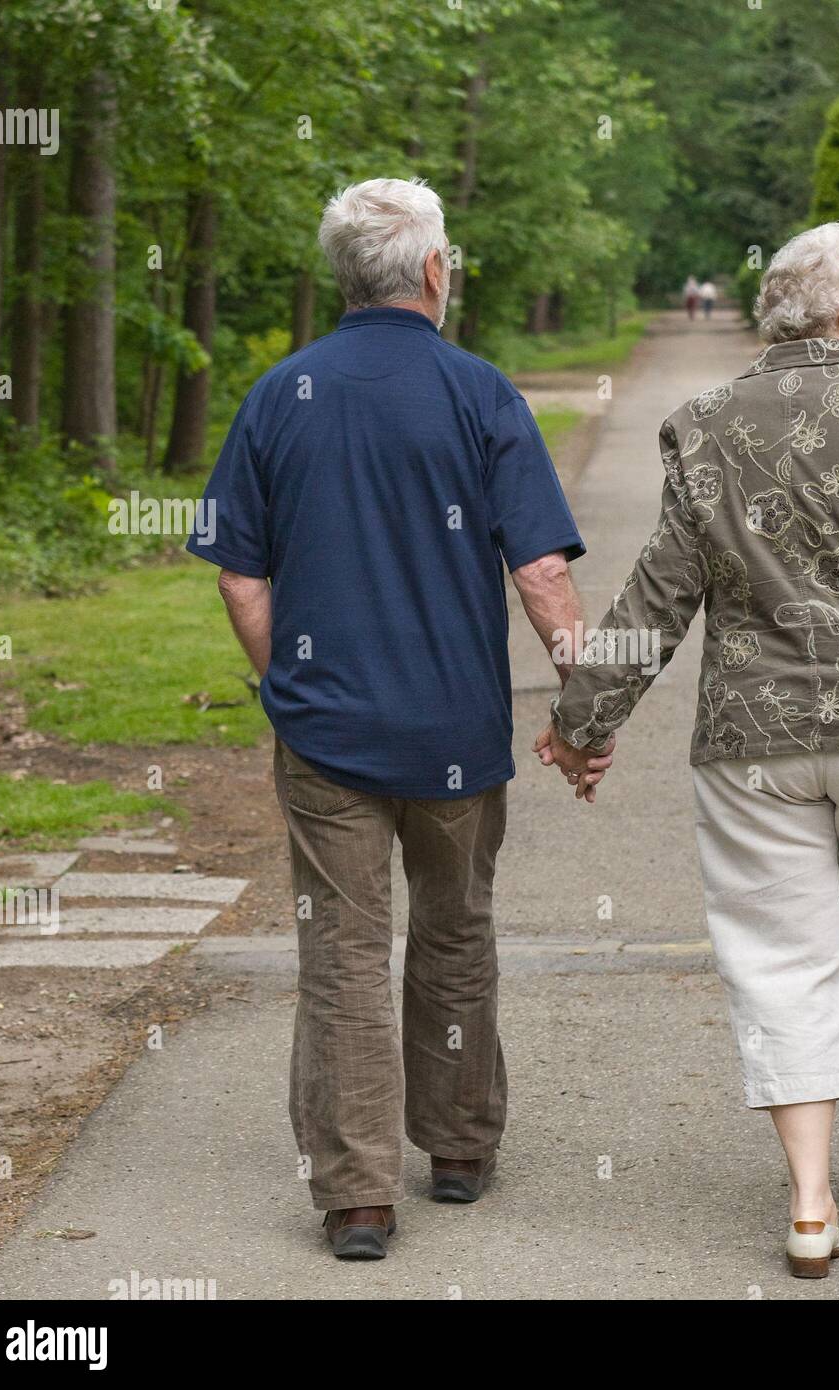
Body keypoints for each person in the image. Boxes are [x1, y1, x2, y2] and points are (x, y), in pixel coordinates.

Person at [536, 219, 839, 1278]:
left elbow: (661, 591)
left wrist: (580, 725)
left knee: (782, 959)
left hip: (752, 741)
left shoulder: (702, 424)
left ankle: (809, 1202)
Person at [187, 176, 611, 1261]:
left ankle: (357, 1195)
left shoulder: (278, 394)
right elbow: (542, 572)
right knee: (456, 928)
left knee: (340, 948)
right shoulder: (480, 392)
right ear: (433, 271)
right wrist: (584, 708)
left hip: (326, 733)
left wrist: (287, 683)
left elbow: (240, 579)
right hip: (456, 732)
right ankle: (459, 1147)